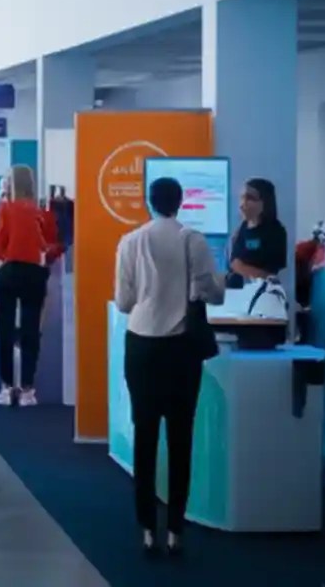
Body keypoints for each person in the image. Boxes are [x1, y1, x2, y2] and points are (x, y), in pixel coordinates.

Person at [115, 176, 225, 555]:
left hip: (141, 347)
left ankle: (147, 528)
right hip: (181, 349)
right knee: (181, 439)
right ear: (181, 203)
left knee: (144, 437)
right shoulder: (192, 240)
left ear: (149, 201)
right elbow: (212, 290)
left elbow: (124, 300)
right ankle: (176, 528)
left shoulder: (130, 241)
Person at [0, 165, 61, 407]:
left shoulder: (5, 209)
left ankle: (7, 386)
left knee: (5, 330)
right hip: (34, 273)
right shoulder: (42, 211)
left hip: (8, 272)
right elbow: (52, 245)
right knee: (31, 330)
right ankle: (28, 389)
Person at [228, 177, 287, 288]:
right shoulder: (242, 228)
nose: (242, 204)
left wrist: (242, 268)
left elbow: (271, 275)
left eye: (250, 198)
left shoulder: (276, 232)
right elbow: (234, 262)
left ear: (265, 202)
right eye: (242, 198)